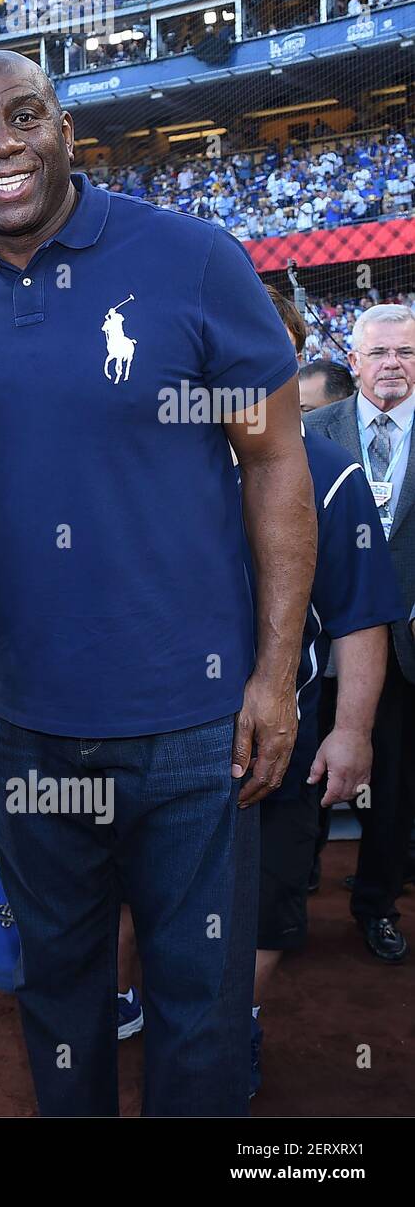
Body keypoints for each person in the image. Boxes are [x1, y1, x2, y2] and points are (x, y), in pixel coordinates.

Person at [0, 50, 315, 1117]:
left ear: (66, 128)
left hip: (195, 729)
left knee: (201, 1016)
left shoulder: (192, 256)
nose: (0, 143)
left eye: (22, 115)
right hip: (29, 734)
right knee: (59, 1008)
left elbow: (273, 463)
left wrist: (273, 675)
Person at [249, 288, 403, 1092]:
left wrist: (352, 732)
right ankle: (152, 1004)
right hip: (160, 735)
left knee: (274, 896)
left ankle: (227, 1029)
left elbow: (362, 619)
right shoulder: (160, 456)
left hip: (283, 736)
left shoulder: (332, 473)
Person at [305, 303, 415, 963]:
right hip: (315, 645)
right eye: (379, 353)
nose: (393, 364)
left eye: (406, 352)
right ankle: (295, 886)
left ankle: (376, 904)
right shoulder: (313, 431)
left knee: (392, 789)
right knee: (302, 776)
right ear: (355, 361)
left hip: (402, 652)